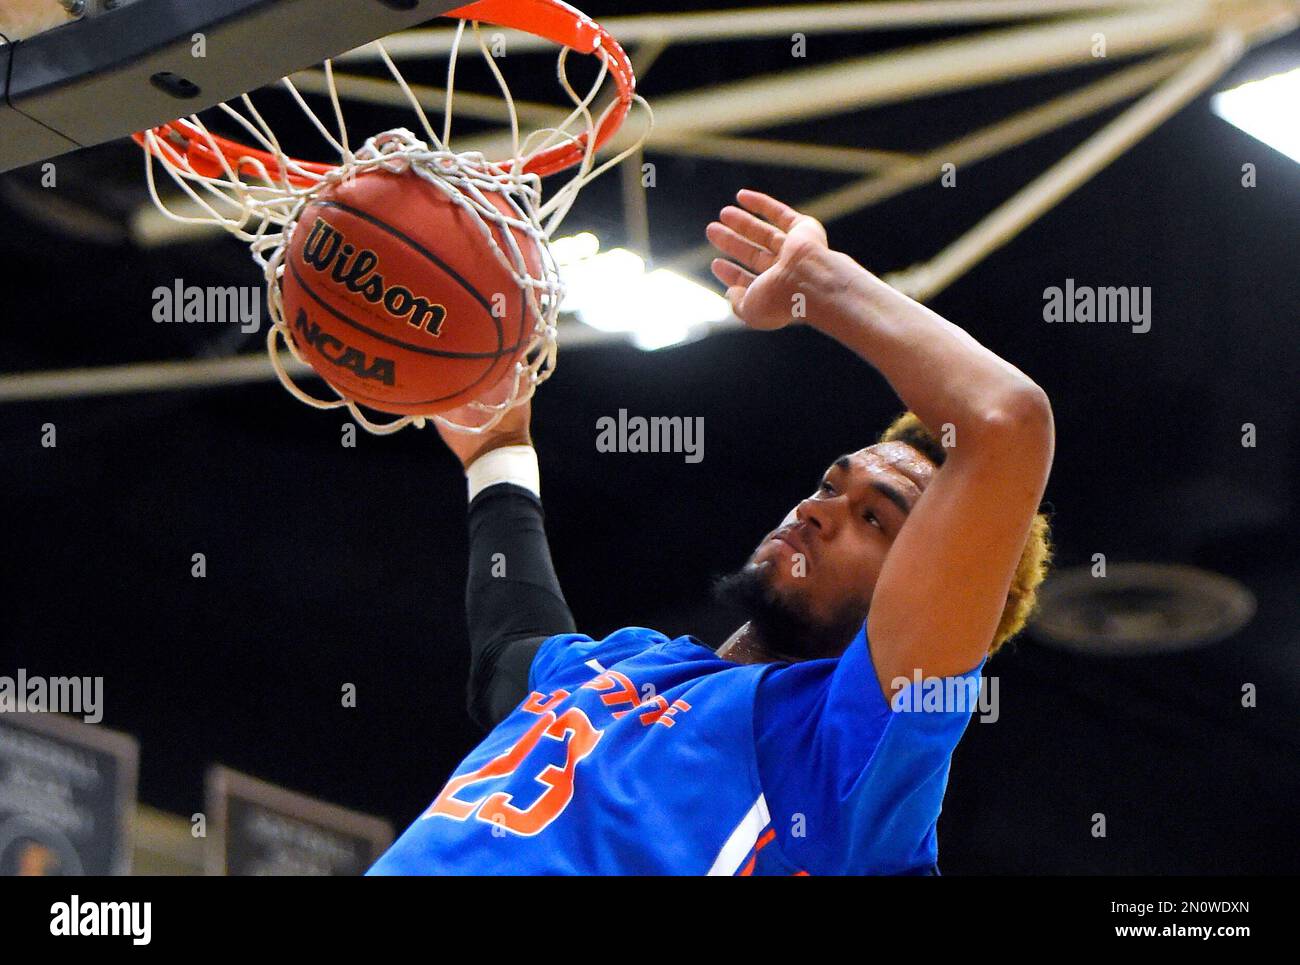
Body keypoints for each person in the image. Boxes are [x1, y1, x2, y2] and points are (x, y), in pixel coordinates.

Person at [368, 189, 1054, 875]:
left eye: (875, 518)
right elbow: (509, 654)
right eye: (828, 486)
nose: (818, 511)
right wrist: (499, 450)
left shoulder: (842, 761)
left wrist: (818, 279)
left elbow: (1006, 421)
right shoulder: (629, 667)